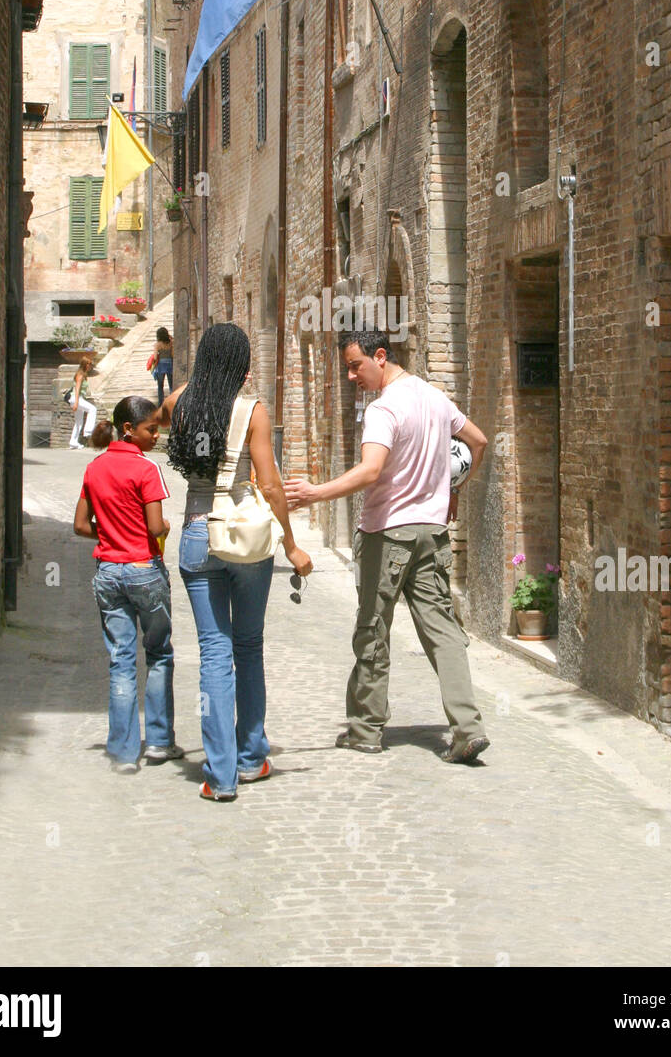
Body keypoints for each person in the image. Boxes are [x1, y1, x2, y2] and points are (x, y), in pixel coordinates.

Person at [284, 329, 490, 764]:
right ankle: (467, 729)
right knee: (443, 632)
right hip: (432, 534)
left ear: (381, 356)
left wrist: (315, 493)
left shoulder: (383, 409)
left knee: (373, 630)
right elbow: (479, 441)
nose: (352, 376)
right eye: (347, 368)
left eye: (356, 365)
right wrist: (454, 488)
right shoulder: (435, 398)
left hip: (387, 535)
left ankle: (365, 729)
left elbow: (370, 471)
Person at [157, 323, 312, 802]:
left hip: (199, 534)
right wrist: (291, 545)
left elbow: (165, 419)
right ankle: (250, 758)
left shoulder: (179, 403)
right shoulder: (253, 411)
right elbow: (269, 485)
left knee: (212, 652)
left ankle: (218, 775)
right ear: (244, 366)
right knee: (248, 645)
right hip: (244, 536)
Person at [73, 395, 183, 774]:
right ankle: (158, 742)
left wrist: (112, 535)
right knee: (158, 653)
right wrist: (165, 527)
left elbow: (81, 526)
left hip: (108, 571)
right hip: (144, 569)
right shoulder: (146, 470)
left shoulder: (95, 468)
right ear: (128, 429)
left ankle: (122, 752)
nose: (156, 435)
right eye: (151, 429)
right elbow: (156, 527)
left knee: (121, 660)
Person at [68, 356, 97, 449]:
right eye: (89, 364)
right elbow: (77, 388)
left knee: (78, 422)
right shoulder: (80, 374)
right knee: (93, 409)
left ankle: (73, 441)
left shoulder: (84, 375)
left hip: (79, 399)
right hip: (76, 398)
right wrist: (76, 402)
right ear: (85, 364)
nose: (90, 366)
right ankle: (88, 431)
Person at [152, 327, 174, 406]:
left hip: (160, 366)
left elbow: (154, 357)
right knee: (171, 385)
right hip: (169, 364)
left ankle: (161, 403)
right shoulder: (171, 343)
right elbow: (172, 355)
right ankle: (173, 402)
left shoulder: (157, 344)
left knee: (160, 386)